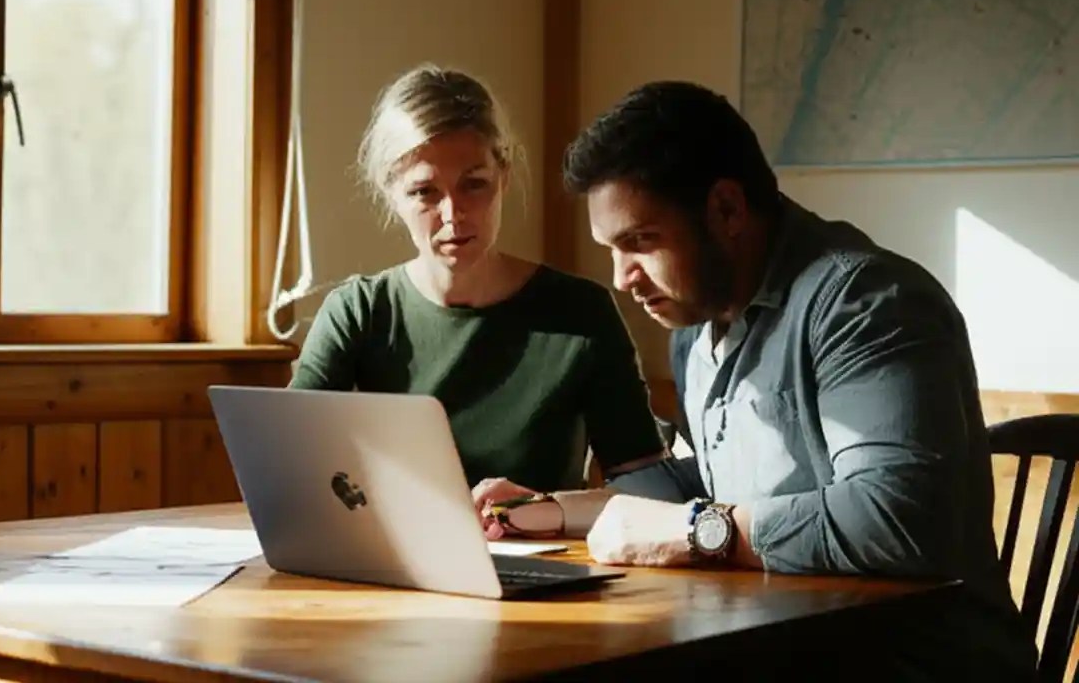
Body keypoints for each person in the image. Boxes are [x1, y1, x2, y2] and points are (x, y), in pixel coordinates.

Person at [473, 81, 1038, 680]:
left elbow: (898, 517)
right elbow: (723, 477)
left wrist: (697, 531)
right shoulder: (698, 321)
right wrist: (557, 512)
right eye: (611, 249)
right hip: (782, 647)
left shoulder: (867, 304)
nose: (622, 277)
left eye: (641, 242)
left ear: (727, 209)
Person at [289, 64, 665, 493]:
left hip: (542, 557)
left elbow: (648, 489)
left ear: (503, 177)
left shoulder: (580, 313)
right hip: (393, 558)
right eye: (424, 192)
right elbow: (289, 463)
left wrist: (550, 510)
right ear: (391, 194)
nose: (453, 215)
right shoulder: (359, 312)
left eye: (474, 185)